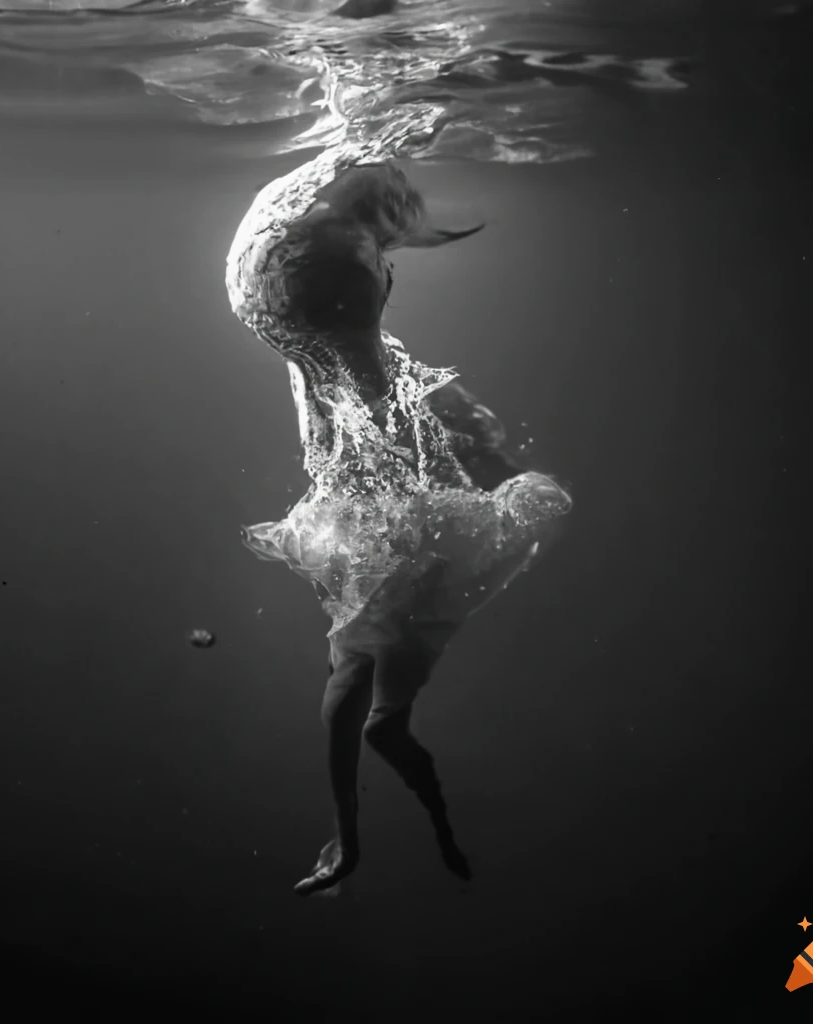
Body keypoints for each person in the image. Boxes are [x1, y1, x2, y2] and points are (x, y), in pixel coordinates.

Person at [228, 156, 572, 895]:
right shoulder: (341, 281)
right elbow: (392, 425)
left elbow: (348, 397)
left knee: (359, 662)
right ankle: (354, 839)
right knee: (361, 661)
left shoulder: (327, 285)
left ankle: (352, 839)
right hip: (313, 320)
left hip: (286, 299)